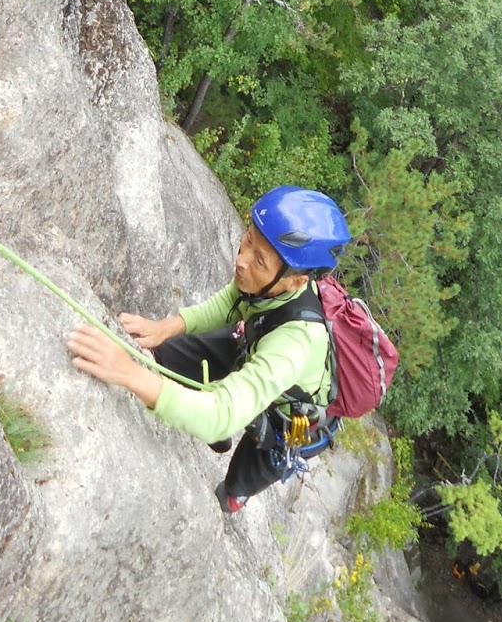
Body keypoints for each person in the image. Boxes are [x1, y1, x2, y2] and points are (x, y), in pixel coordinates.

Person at [67, 186, 350, 512]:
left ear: (296, 282)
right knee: (166, 356)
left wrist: (129, 374)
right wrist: (163, 329)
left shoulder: (295, 344)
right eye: (247, 239)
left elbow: (220, 415)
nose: (241, 261)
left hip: (289, 417)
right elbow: (229, 302)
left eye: (258, 260)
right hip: (255, 349)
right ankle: (205, 410)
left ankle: (234, 497)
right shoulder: (269, 282)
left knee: (235, 487)